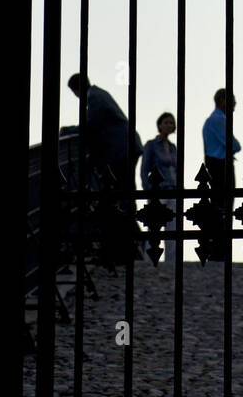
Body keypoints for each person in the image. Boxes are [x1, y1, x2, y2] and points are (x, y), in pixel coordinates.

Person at [66, 73, 143, 263]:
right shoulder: (99, 95)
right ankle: (131, 242)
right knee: (123, 193)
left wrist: (67, 130)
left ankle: (131, 243)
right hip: (124, 148)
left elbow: (89, 126)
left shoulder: (95, 98)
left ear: (76, 90)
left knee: (121, 194)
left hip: (121, 150)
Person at [202, 89, 240, 261]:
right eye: (232, 101)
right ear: (222, 101)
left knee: (222, 207)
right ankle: (219, 250)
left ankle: (220, 249)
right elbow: (234, 145)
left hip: (219, 165)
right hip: (219, 166)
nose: (234, 105)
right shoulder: (217, 120)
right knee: (222, 207)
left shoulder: (218, 120)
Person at [140, 113, 178, 263]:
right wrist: (148, 189)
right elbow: (144, 169)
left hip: (172, 190)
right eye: (166, 122)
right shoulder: (151, 145)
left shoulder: (174, 147)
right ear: (160, 125)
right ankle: (149, 261)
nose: (169, 125)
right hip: (158, 190)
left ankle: (171, 262)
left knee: (172, 228)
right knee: (154, 227)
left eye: (171, 123)